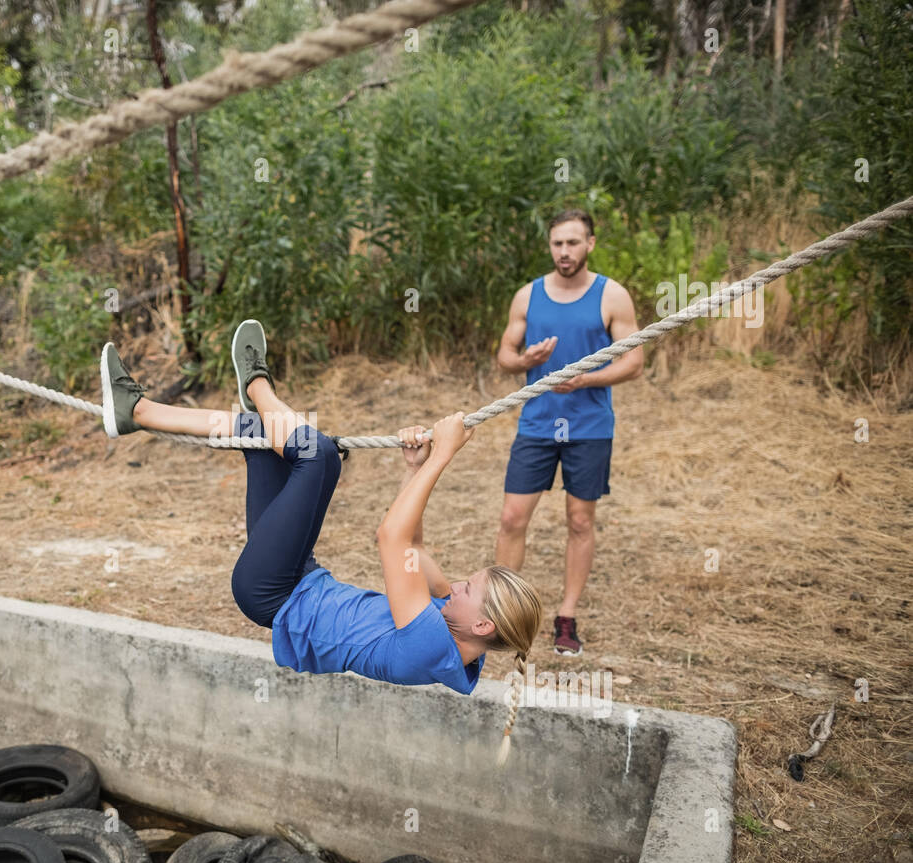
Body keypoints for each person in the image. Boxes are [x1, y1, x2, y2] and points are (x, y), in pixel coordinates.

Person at [100, 320, 544, 762]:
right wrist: (414, 468)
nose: (459, 585)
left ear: (483, 625)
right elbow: (414, 550)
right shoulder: (457, 631)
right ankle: (137, 411)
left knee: (319, 456)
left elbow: (392, 538)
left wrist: (444, 455)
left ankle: (256, 383)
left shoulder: (431, 644)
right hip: (302, 578)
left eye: (470, 588)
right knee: (261, 436)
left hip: (272, 593)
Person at [494, 209, 643, 657]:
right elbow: (505, 353)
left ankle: (566, 617)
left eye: (573, 243)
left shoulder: (612, 295)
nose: (564, 252)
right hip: (537, 424)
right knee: (511, 519)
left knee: (579, 520)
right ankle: (504, 612)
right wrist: (525, 361)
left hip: (590, 427)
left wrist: (585, 379)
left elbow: (633, 363)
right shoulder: (528, 295)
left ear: (590, 244)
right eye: (557, 243)